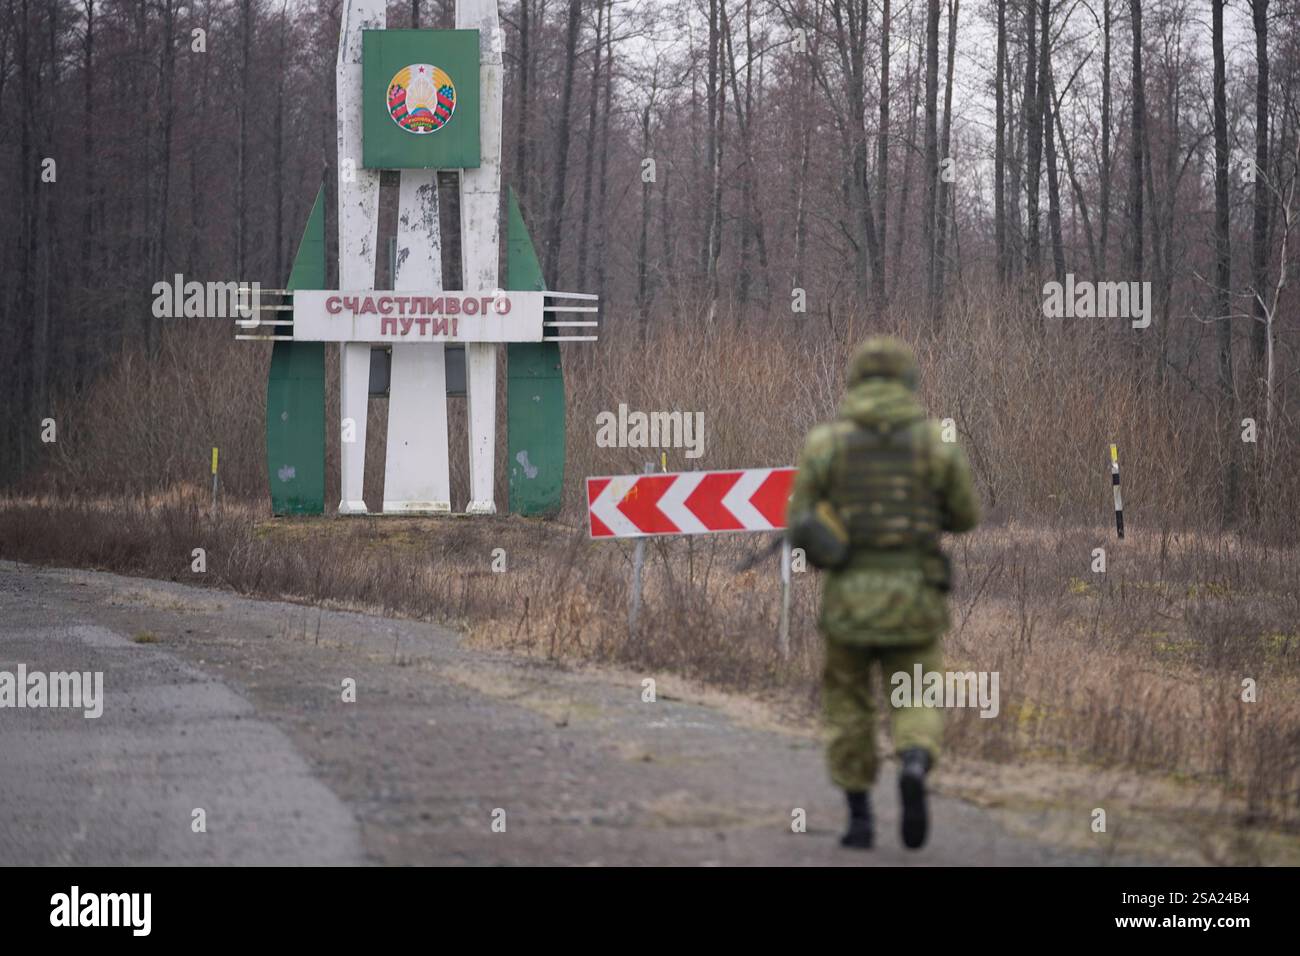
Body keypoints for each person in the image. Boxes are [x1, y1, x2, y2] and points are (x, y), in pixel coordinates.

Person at [787, 336, 979, 850]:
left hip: (848, 599)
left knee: (848, 703)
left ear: (854, 381)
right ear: (909, 382)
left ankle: (859, 820)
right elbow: (965, 517)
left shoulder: (826, 443)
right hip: (915, 597)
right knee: (915, 692)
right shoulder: (936, 443)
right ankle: (914, 762)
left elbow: (798, 518)